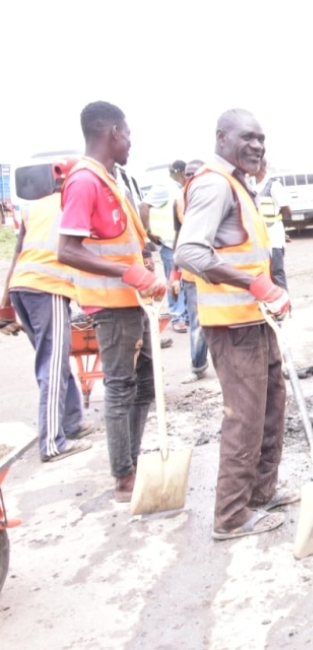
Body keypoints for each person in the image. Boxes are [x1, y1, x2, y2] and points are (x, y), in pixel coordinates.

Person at [174, 109, 296, 540]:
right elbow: (188, 253)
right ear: (221, 137)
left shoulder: (239, 185)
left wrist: (269, 292)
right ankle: (230, 515)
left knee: (272, 407)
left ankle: (261, 493)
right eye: (247, 137)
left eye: (261, 138)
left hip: (254, 319)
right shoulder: (212, 184)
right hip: (232, 324)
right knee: (245, 417)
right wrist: (255, 284)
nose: (257, 146)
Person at [57, 101, 164, 502]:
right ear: (113, 132)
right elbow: (66, 249)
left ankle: (131, 460)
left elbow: (121, 242)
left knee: (145, 385)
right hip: (111, 304)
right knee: (121, 387)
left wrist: (145, 265)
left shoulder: (109, 179)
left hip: (132, 300)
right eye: (129, 135)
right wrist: (126, 272)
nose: (131, 143)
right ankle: (124, 477)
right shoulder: (85, 180)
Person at [1, 158, 96, 462]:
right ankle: (53, 443)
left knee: (54, 360)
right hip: (48, 289)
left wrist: (4, 306)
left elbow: (17, 255)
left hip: (21, 289)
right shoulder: (73, 202)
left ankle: (72, 422)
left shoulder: (32, 208)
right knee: (53, 367)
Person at [169, 159, 210, 383]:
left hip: (214, 273)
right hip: (192, 276)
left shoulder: (215, 197)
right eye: (189, 175)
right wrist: (174, 275)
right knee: (197, 324)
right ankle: (197, 366)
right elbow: (179, 239)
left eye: (197, 174)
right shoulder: (181, 201)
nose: (192, 178)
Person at [141, 159, 189, 333]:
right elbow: (144, 206)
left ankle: (185, 315)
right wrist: (148, 231)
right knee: (173, 279)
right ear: (182, 173)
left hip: (181, 242)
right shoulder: (164, 186)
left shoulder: (177, 187)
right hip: (169, 242)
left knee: (184, 279)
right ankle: (177, 316)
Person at [251, 156, 292, 291]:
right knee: (262, 273)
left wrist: (277, 225)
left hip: (274, 236)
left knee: (276, 272)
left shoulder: (274, 185)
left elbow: (286, 210)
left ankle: (284, 306)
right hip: (258, 237)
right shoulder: (251, 185)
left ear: (259, 166)